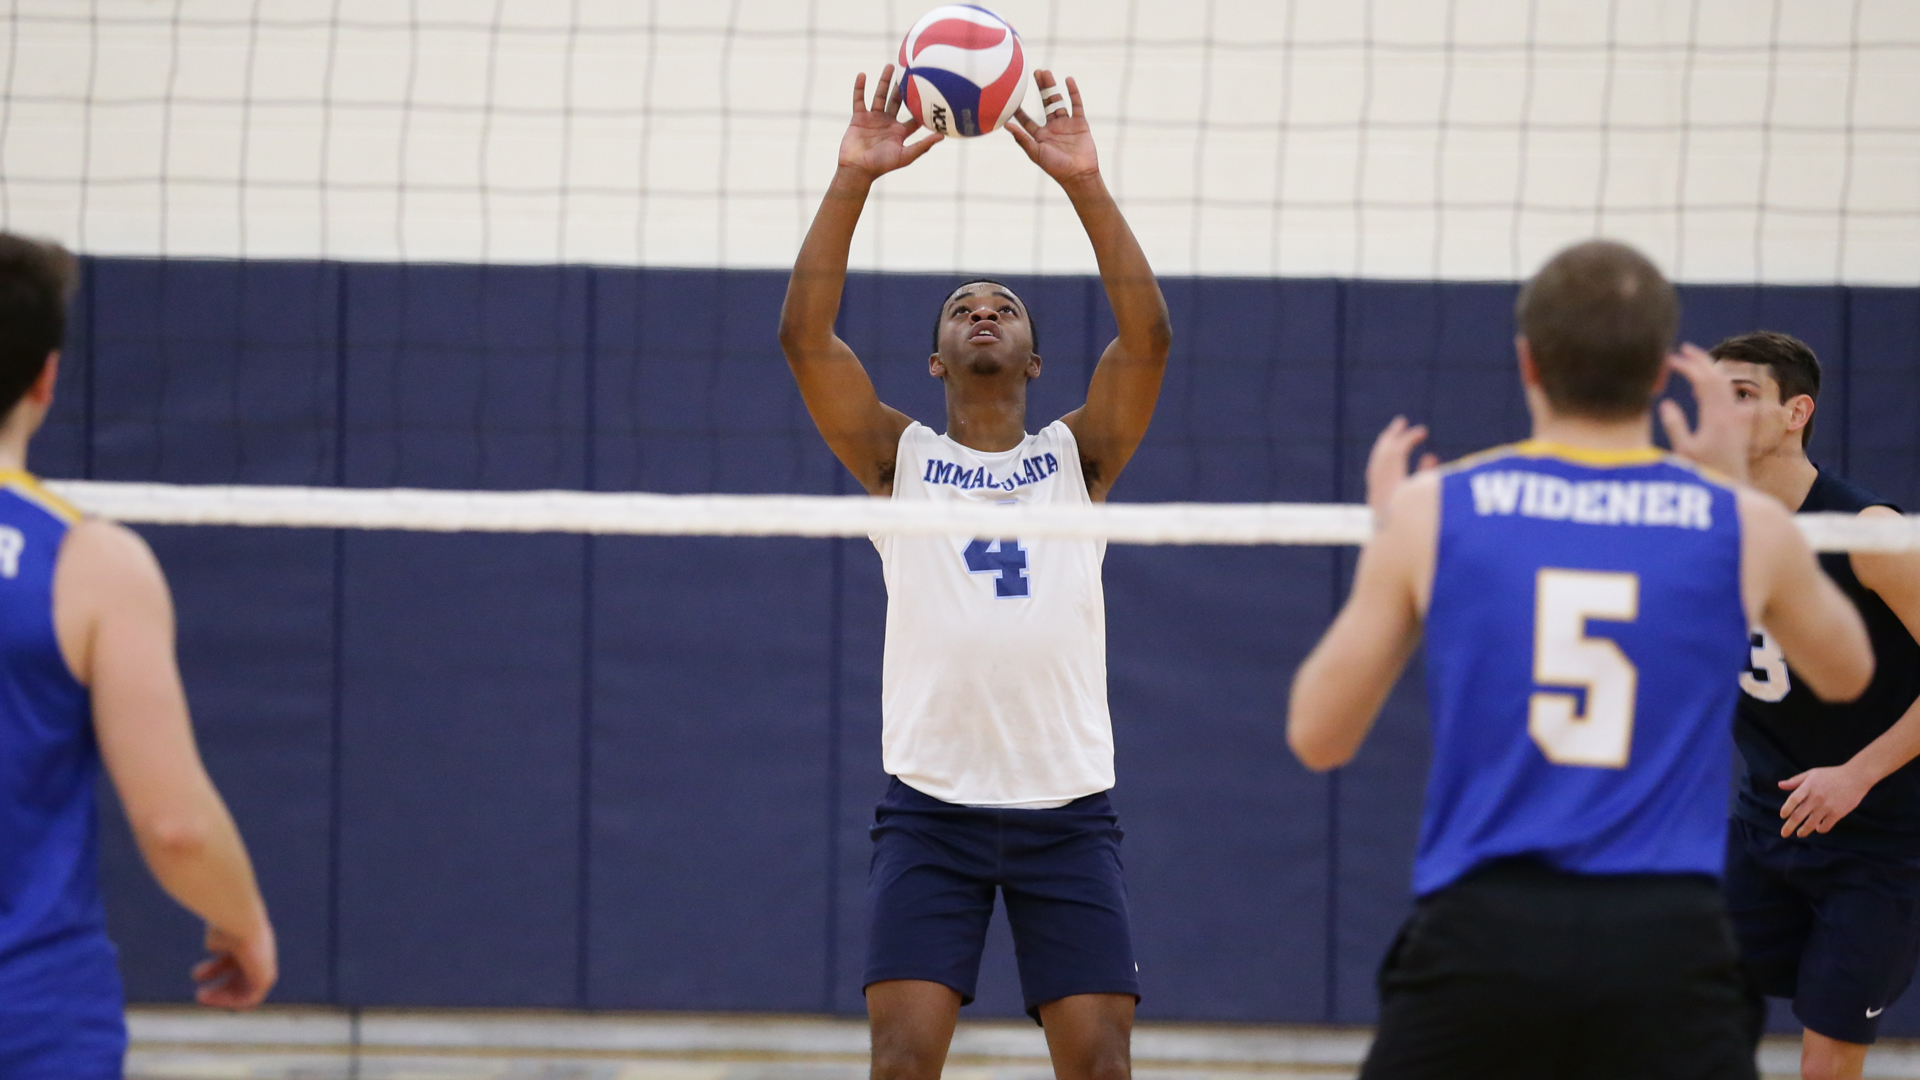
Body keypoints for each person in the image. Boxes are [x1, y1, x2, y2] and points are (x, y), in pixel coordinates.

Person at [1286, 240, 1874, 1080]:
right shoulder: (1737, 522)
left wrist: (1393, 552)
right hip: (1666, 942)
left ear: (1528, 362)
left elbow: (1318, 738)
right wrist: (1738, 509)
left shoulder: (1435, 508)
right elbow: (1849, 673)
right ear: (1660, 371)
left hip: (1483, 934)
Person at [777, 64, 1169, 1080]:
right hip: (932, 809)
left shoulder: (1077, 458)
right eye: (962, 309)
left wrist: (1084, 182)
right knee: (902, 1065)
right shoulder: (894, 457)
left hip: (1067, 807)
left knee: (1103, 1068)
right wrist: (853, 177)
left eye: (1005, 306)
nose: (984, 312)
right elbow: (802, 338)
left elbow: (1150, 338)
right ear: (937, 361)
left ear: (1037, 361)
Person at [0, 234, 277, 1076]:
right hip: (30, 1017)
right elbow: (176, 826)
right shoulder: (90, 566)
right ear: (46, 379)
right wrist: (244, 920)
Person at [1711, 331, 1920, 1080]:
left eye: (1743, 395)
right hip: (1765, 823)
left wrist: (1857, 773)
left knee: (1827, 1054)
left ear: (1796, 411)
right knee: (1681, 1003)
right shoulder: (1710, 527)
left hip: (1880, 842)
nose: (1721, 412)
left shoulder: (1869, 535)